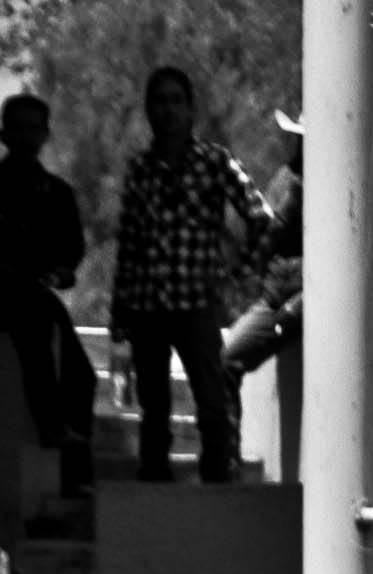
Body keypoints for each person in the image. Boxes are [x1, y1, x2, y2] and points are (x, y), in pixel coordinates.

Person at [109, 66, 272, 483]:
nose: (168, 110)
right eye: (160, 101)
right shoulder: (140, 170)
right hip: (147, 306)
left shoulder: (215, 162)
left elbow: (259, 216)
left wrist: (238, 269)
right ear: (149, 110)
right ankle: (155, 482)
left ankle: (217, 477)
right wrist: (120, 315)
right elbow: (128, 244)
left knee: (211, 401)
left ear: (190, 108)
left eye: (176, 101)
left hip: (197, 302)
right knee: (154, 406)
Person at [0, 93, 99, 484]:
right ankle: (50, 425)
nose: (25, 136)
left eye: (33, 128)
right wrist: (4, 274)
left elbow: (71, 254)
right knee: (35, 325)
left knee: (82, 376)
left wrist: (57, 274)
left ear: (45, 134)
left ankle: (76, 476)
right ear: (3, 134)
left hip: (38, 299)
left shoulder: (57, 194)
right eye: (17, 128)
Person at [221, 110, 308, 386]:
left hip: (299, 297)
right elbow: (265, 232)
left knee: (226, 359)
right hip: (276, 295)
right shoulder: (287, 177)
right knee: (223, 359)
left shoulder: (328, 188)